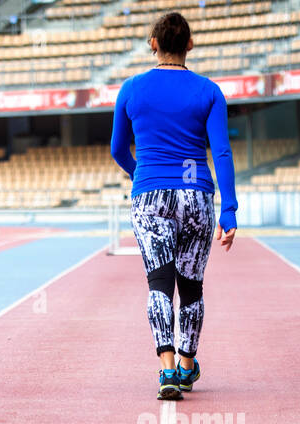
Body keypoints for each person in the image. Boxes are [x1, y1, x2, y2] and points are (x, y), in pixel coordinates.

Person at [109, 11, 238, 400]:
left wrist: (140, 175)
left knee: (159, 285)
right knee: (192, 287)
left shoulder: (131, 89)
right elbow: (223, 152)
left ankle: (166, 371)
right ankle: (186, 366)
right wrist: (229, 208)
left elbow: (117, 149)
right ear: (190, 45)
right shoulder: (209, 91)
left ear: (153, 44)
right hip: (196, 193)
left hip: (150, 195)